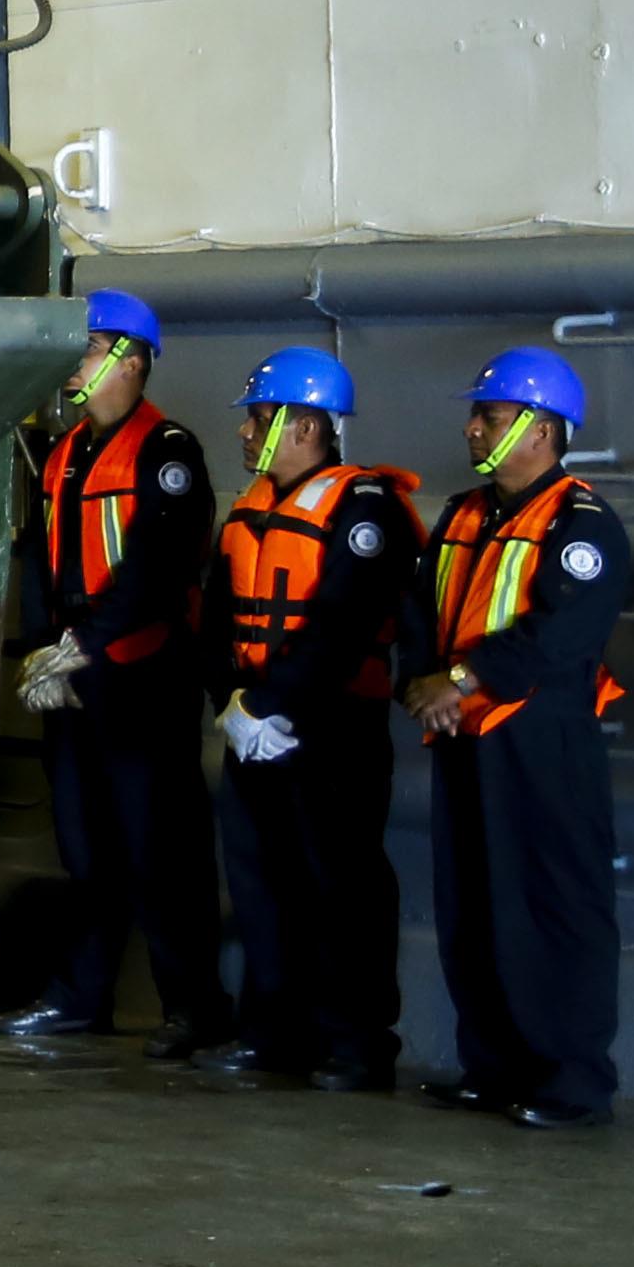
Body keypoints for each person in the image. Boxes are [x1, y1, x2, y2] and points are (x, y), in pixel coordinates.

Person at [412, 344, 628, 1128]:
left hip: (542, 745)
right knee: (474, 902)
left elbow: (559, 633)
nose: (474, 429)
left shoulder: (583, 524)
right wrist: (422, 680)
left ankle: (572, 1084)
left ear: (540, 429)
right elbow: (421, 608)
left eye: (491, 416)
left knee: (554, 906)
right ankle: (494, 1066)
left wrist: (461, 681)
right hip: (465, 739)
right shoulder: (463, 514)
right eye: (477, 415)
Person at [8, 288, 226, 1055]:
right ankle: (80, 997)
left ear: (131, 363)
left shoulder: (167, 451)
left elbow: (158, 572)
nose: (77, 364)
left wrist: (87, 643)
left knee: (160, 848)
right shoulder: (64, 452)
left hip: (140, 672)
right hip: (74, 673)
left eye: (91, 349)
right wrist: (44, 647)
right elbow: (40, 560)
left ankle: (192, 1007)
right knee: (85, 846)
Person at [210, 347, 421, 1092]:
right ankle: (272, 1032)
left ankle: (356, 1043)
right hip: (251, 727)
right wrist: (233, 707)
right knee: (261, 881)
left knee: (341, 885)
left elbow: (342, 624)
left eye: (259, 419)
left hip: (331, 730)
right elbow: (217, 618)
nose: (244, 432)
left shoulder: (366, 510)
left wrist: (274, 706)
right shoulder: (249, 506)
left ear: (304, 427)